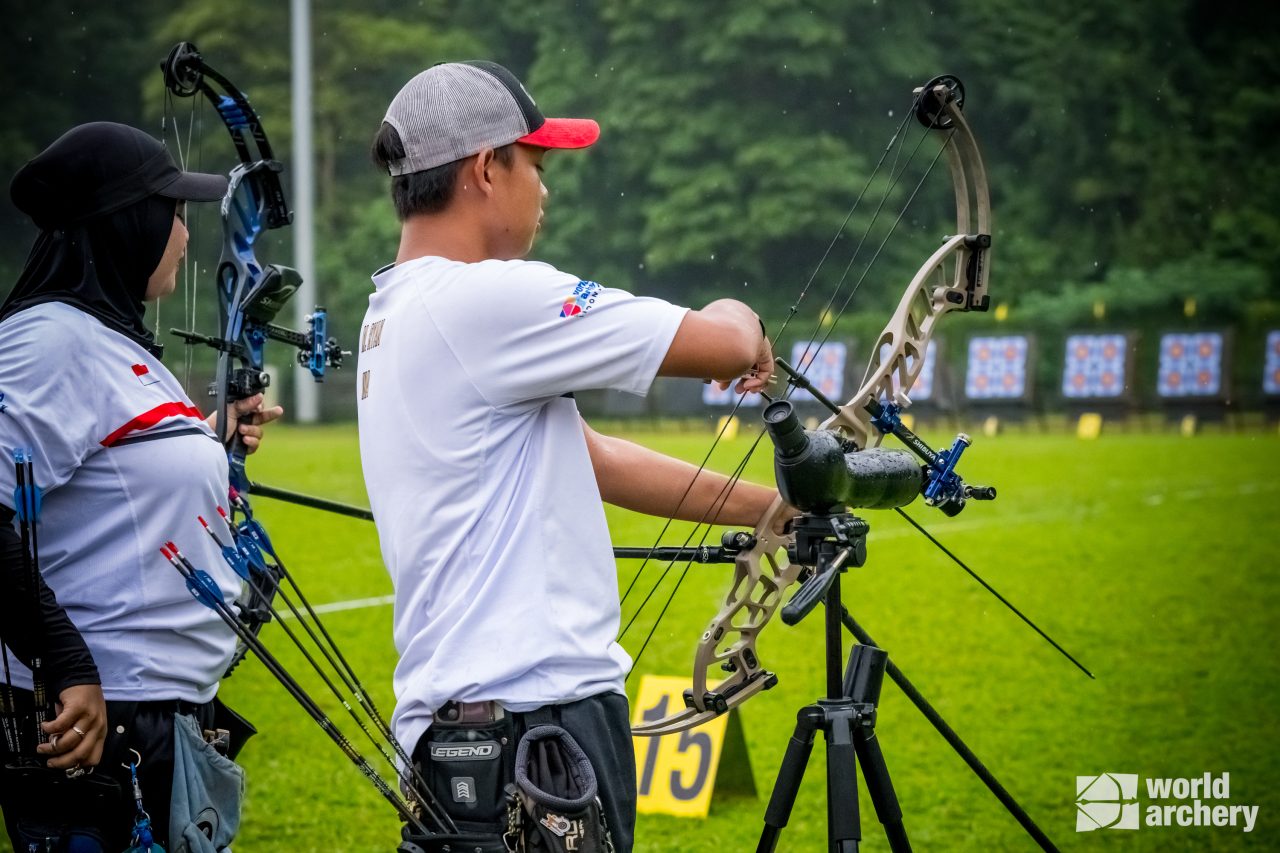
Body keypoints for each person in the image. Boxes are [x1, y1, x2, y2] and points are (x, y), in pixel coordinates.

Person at [359, 61, 784, 852]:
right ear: (488, 168)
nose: (545, 192)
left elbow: (591, 457)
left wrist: (770, 509)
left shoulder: (396, 309)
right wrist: (744, 316)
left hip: (473, 733)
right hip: (537, 730)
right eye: (539, 166)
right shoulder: (483, 299)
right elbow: (723, 341)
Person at [0, 122, 282, 851]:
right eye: (175, 214)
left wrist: (211, 440)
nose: (186, 237)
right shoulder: (50, 339)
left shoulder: (111, 341)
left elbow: (110, 477)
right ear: (129, 221)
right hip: (95, 721)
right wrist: (66, 663)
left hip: (152, 718)